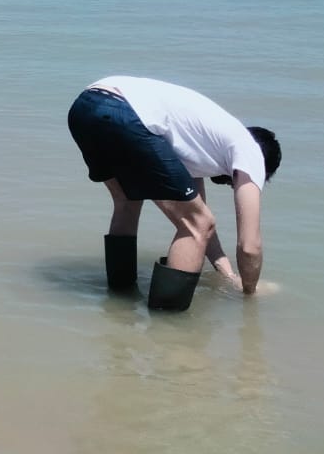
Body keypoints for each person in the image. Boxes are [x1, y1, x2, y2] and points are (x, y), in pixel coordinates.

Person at [66, 75, 281, 311]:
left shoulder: (200, 144)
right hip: (125, 111)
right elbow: (250, 246)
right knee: (196, 225)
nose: (232, 186)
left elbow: (202, 222)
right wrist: (249, 293)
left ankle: (119, 301)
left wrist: (228, 275)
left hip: (85, 108)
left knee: (128, 201)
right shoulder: (250, 152)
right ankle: (167, 323)